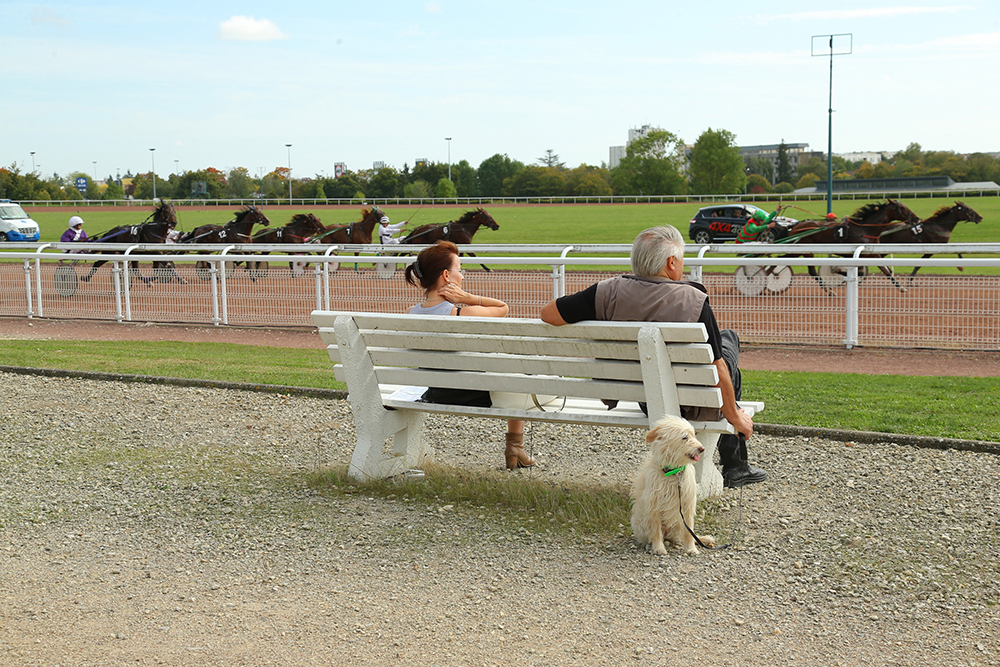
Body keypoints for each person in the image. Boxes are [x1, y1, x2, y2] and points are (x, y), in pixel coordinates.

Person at [539, 225, 766, 488]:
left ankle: (736, 466)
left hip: (645, 397)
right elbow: (717, 369)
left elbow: (548, 314)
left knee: (725, 350)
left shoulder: (606, 291)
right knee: (728, 347)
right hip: (692, 401)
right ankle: (736, 465)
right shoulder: (693, 299)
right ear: (671, 263)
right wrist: (735, 415)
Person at [404, 241, 533, 470]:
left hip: (435, 391)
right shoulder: (463, 312)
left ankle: (517, 448)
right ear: (446, 275)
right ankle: (515, 446)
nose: (462, 277)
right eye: (459, 270)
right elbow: (503, 308)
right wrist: (469, 298)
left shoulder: (411, 314)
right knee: (522, 378)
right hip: (474, 392)